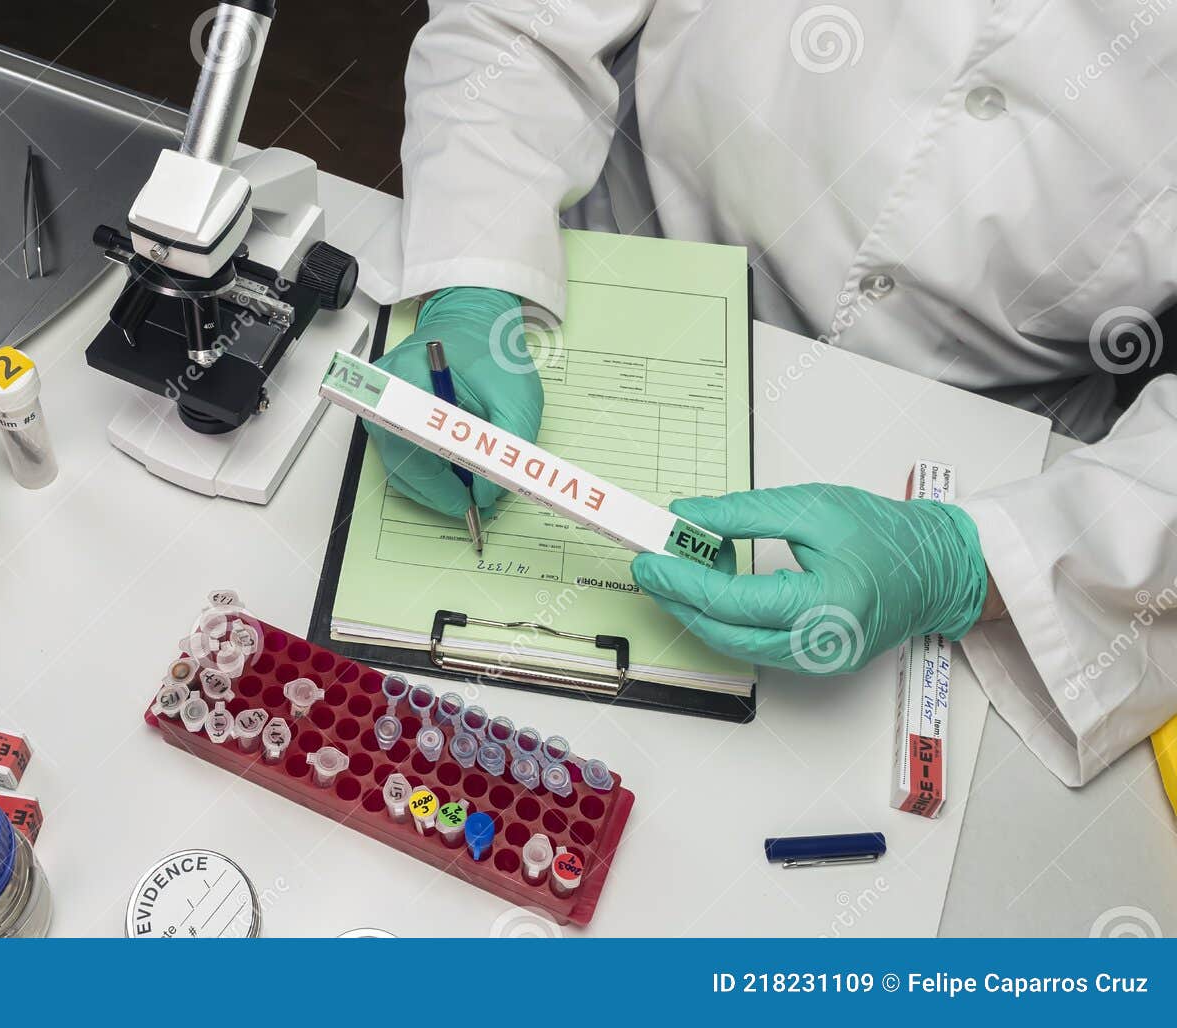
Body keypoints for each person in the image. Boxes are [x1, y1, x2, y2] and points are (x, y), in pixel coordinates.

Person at [369, 1, 1177, 786]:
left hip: (984, 438)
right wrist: (476, 278)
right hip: (624, 263)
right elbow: (519, 23)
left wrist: (979, 562)